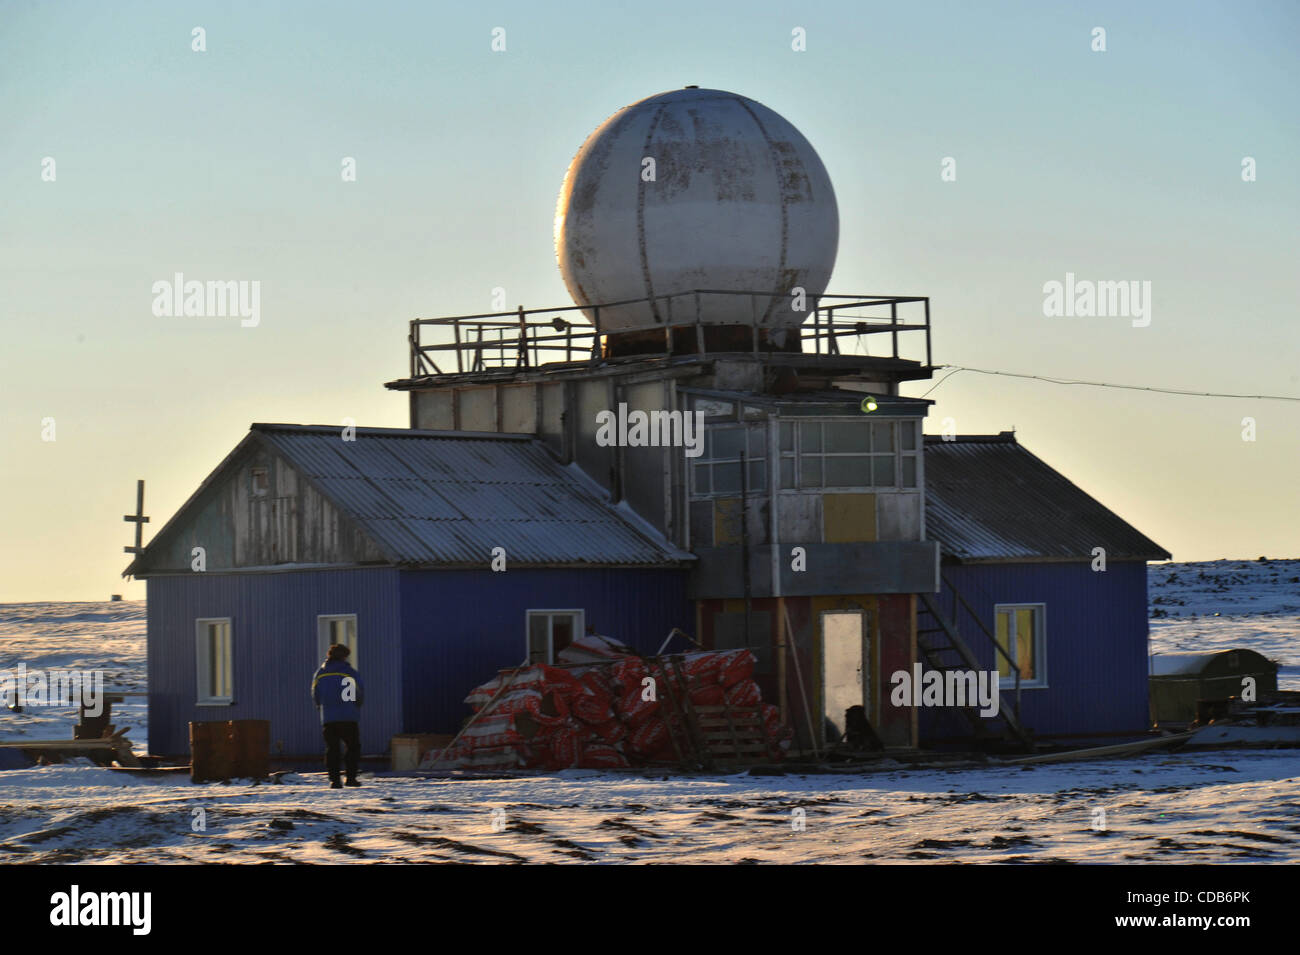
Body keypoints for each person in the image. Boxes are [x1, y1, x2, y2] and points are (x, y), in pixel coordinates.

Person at [312, 643, 364, 788]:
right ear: (344, 656)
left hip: (329, 717)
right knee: (352, 747)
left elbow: (315, 694)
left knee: (332, 749)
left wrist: (321, 708)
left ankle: (334, 780)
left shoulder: (320, 673)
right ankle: (351, 778)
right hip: (348, 716)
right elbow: (358, 693)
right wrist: (354, 707)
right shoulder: (349, 672)